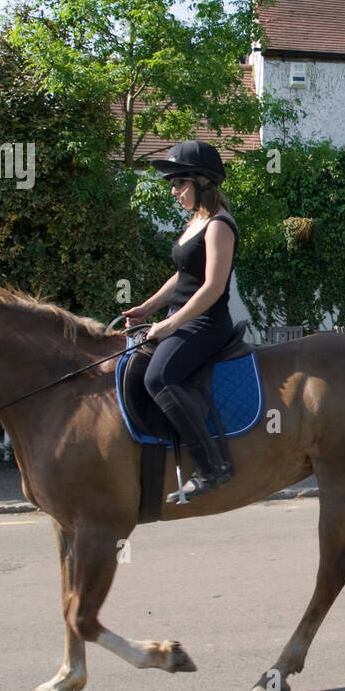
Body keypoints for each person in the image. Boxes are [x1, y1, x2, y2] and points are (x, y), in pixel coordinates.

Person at [122, 141, 237, 500]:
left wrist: (170, 325)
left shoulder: (220, 225)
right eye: (173, 185)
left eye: (179, 183)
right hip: (182, 319)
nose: (174, 192)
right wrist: (147, 308)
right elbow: (183, 275)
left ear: (203, 182)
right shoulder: (195, 222)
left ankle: (211, 465)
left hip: (206, 324)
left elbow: (213, 288)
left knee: (159, 376)